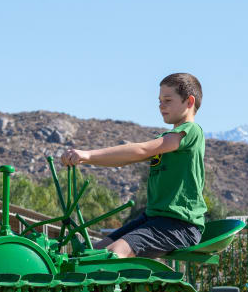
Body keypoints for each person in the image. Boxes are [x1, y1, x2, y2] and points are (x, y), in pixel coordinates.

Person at [61, 73, 207, 258]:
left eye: (168, 100)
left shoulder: (191, 131)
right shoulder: (167, 141)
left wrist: (88, 154)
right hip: (153, 219)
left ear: (189, 102)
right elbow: (126, 158)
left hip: (180, 224)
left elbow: (141, 150)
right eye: (160, 100)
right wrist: (87, 159)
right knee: (94, 251)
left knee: (114, 253)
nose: (161, 105)